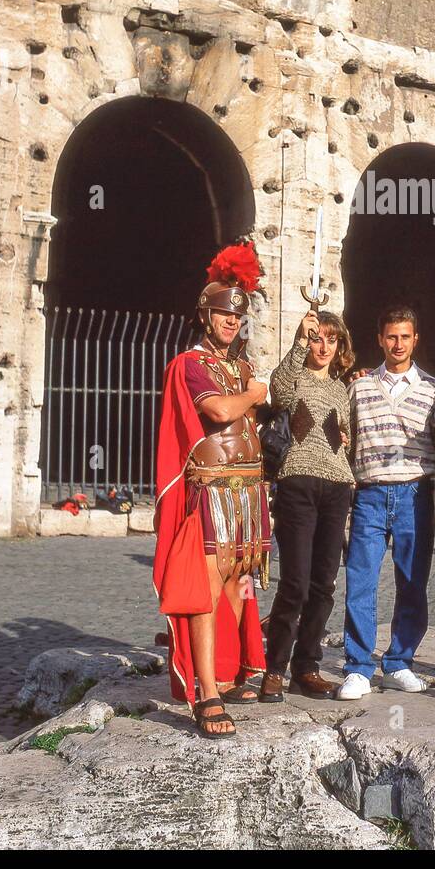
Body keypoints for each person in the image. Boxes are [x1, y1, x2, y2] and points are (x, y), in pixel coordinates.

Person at [152, 241, 270, 738]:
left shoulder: (240, 368)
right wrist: (254, 395)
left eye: (237, 318)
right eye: (224, 315)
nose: (232, 323)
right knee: (203, 590)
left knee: (238, 588)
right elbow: (221, 413)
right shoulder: (191, 364)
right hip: (212, 492)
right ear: (205, 315)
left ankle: (228, 668)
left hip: (248, 490)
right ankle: (207, 693)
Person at [337, 306, 435, 700]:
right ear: (380, 339)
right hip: (369, 493)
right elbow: (341, 436)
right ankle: (359, 668)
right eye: (391, 337)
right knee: (360, 581)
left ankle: (399, 662)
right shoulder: (359, 388)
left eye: (405, 337)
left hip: (415, 492)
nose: (398, 344)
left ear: (416, 339)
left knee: (412, 583)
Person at [260, 309, 354, 702]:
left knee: (323, 584)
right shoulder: (295, 375)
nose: (324, 345)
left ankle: (307, 666)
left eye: (331, 339)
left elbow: (344, 433)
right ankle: (275, 668)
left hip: (336, 486)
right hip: (297, 483)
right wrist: (299, 338)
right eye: (318, 337)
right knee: (295, 582)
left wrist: (344, 440)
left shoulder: (340, 388)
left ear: (340, 345)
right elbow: (278, 389)